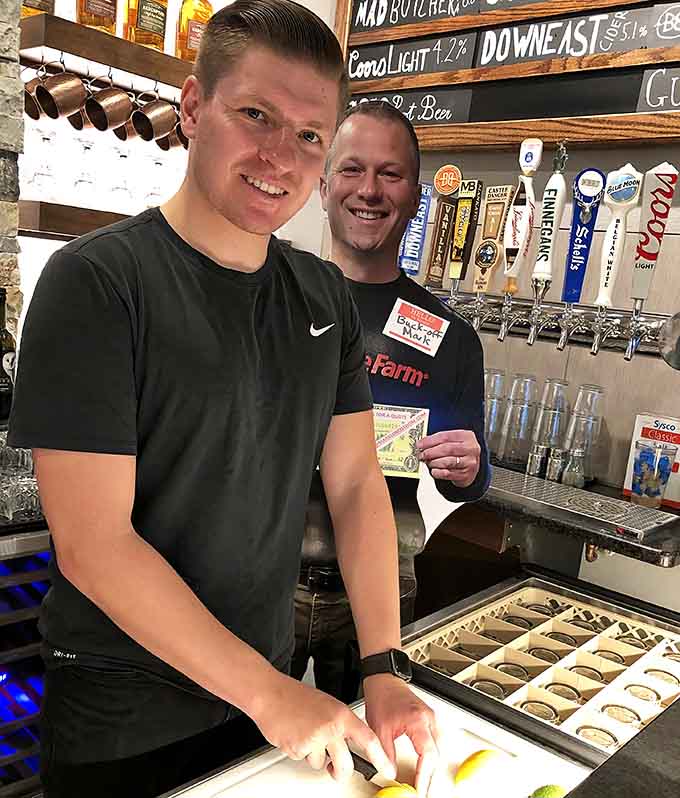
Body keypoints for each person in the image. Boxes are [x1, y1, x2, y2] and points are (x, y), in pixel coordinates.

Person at [8, 6, 439, 797]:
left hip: (264, 711)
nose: (281, 155)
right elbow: (93, 545)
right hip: (125, 722)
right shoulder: (97, 284)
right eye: (256, 115)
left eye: (311, 135)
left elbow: (354, 485)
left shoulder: (322, 296)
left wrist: (382, 666)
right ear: (195, 107)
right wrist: (273, 694)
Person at [292, 101, 490, 701]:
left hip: (380, 589)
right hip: (264, 573)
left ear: (416, 195)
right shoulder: (273, 299)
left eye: (391, 174)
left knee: (369, 758)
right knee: (242, 754)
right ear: (323, 185)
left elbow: (465, 481)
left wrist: (469, 466)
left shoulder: (449, 335)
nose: (369, 191)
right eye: (352, 170)